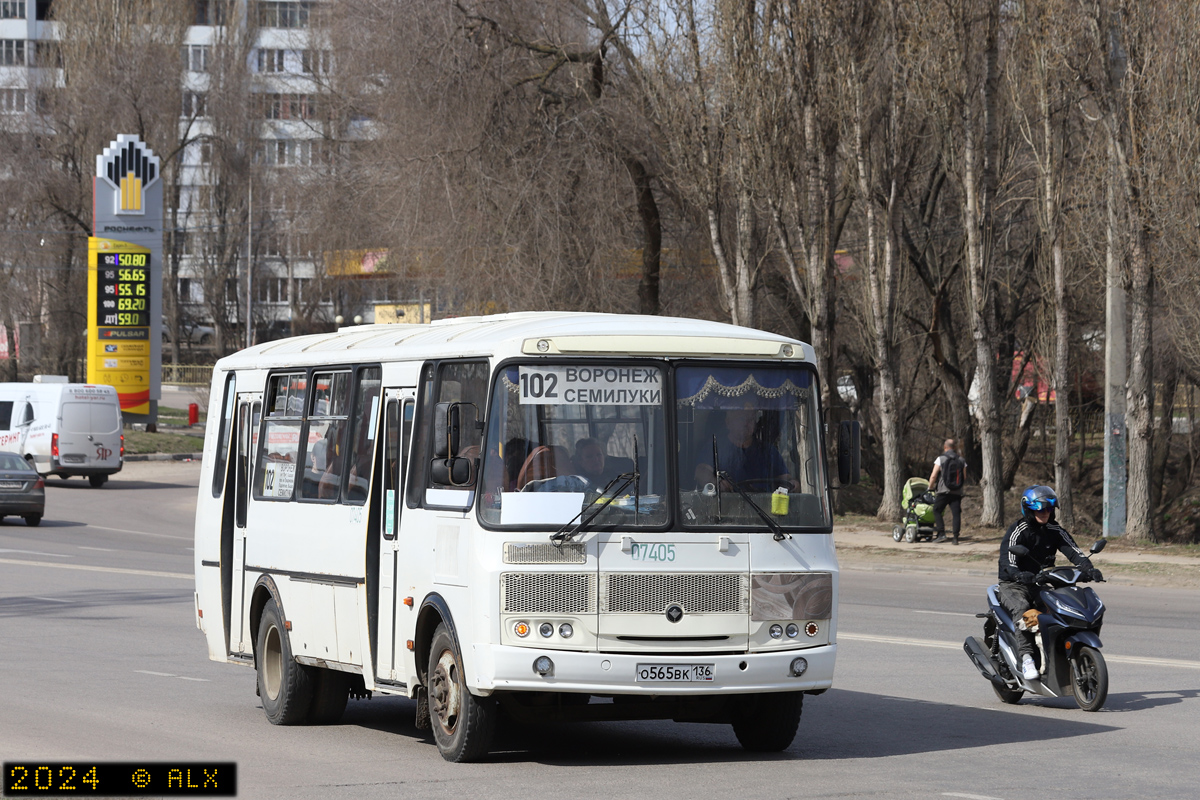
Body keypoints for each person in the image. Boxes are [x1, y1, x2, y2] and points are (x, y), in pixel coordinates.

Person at [998, 485, 1102, 681]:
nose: (1045, 513)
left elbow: (1074, 552)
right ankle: (1027, 658)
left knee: (1061, 606)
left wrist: (1089, 568)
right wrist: (1019, 575)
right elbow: (1007, 561)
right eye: (1040, 509)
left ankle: (1057, 651)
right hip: (1013, 585)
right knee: (1022, 608)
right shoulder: (1018, 530)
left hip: (1040, 582)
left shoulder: (1054, 530)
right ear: (1029, 509)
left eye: (1049, 509)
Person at [694, 408, 799, 491]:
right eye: (741, 419)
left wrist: (793, 484)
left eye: (751, 419)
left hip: (765, 513)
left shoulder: (768, 451)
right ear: (728, 423)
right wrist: (716, 482)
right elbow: (701, 472)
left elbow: (786, 479)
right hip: (725, 511)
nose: (746, 423)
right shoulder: (714, 446)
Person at [927, 438, 966, 544]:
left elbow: (934, 475)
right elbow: (964, 477)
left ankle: (941, 534)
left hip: (943, 491)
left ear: (945, 447)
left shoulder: (941, 459)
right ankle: (955, 538)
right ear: (955, 447)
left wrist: (930, 487)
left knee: (937, 510)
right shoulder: (961, 460)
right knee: (956, 514)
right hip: (956, 492)